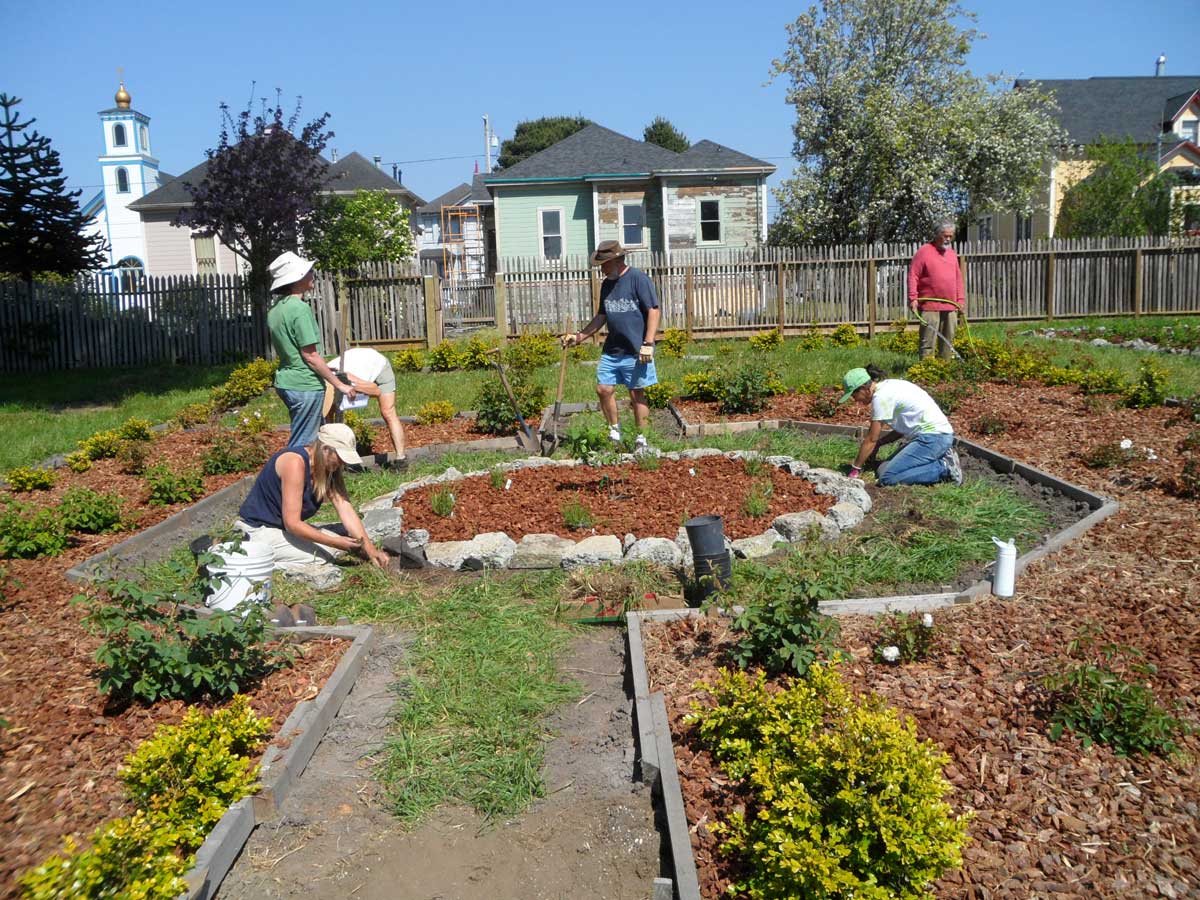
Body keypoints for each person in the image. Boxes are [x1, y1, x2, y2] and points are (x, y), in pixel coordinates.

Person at [234, 423, 388, 590]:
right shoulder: (295, 463)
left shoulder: (329, 468)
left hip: (281, 530)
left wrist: (369, 548)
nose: (342, 463)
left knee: (340, 548)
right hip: (258, 530)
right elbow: (292, 524)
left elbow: (344, 506)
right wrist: (335, 542)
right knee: (323, 556)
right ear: (325, 449)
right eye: (340, 456)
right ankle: (258, 561)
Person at [562, 240, 661, 450]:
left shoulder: (638, 279)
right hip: (613, 349)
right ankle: (614, 433)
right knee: (603, 389)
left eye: (604, 265)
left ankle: (641, 439)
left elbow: (654, 310)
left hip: (636, 349)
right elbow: (601, 316)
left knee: (636, 393)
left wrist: (648, 343)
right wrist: (579, 336)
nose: (602, 269)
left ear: (617, 260)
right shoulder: (607, 284)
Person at [266, 251, 356, 448]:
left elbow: (294, 351)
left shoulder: (276, 310)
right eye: (308, 271)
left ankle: (318, 479)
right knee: (303, 445)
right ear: (296, 278)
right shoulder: (299, 309)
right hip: (304, 385)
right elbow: (310, 356)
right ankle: (290, 477)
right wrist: (339, 385)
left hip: (287, 381)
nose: (312, 274)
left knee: (315, 440)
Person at [839, 365, 962, 486]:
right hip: (933, 436)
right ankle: (936, 459)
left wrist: (855, 469)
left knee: (888, 477)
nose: (855, 400)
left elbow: (871, 439)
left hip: (934, 438)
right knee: (883, 468)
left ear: (863, 388)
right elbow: (903, 428)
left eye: (854, 396)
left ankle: (945, 468)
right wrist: (880, 443)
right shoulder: (888, 386)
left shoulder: (881, 398)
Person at [323, 346, 406, 463]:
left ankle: (401, 458)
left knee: (388, 412)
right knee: (329, 417)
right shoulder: (322, 379)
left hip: (378, 366)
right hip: (357, 364)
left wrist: (353, 388)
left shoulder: (345, 377)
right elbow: (328, 418)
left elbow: (376, 391)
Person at [908, 222, 964, 361]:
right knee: (928, 342)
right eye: (945, 236)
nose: (948, 239)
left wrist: (961, 300)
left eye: (951, 236)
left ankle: (944, 370)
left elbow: (958, 278)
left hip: (950, 306)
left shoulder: (952, 254)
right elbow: (913, 275)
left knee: (948, 342)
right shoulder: (924, 252)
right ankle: (927, 371)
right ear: (937, 235)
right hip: (929, 306)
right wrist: (913, 297)